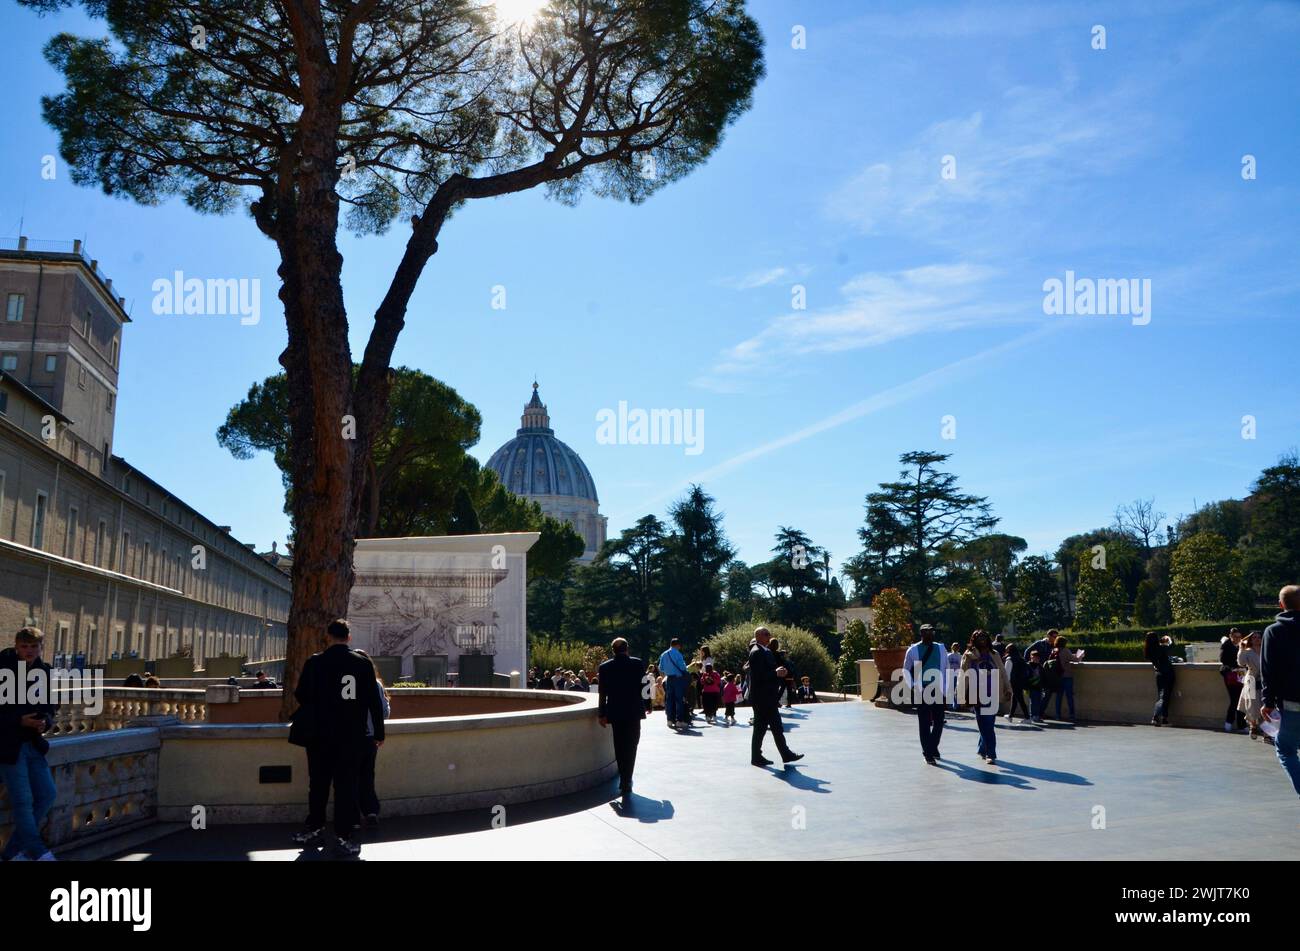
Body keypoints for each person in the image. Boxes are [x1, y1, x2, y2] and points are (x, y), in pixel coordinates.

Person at [289, 619, 386, 857]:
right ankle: (345, 836)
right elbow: (374, 702)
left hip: (320, 735)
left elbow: (301, 694)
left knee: (318, 784)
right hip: (351, 736)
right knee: (346, 787)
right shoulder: (362, 663)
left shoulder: (315, 662)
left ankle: (315, 827)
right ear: (349, 638)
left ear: (328, 636)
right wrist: (379, 733)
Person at [0, 627, 59, 861]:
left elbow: (51, 708)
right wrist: (18, 720)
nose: (29, 651)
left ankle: (12, 853)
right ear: (16, 647)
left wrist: (45, 722)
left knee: (47, 794)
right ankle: (38, 852)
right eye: (24, 647)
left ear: (40, 648)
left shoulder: (44, 672)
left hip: (33, 745)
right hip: (8, 746)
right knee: (23, 802)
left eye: (34, 647)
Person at [1261, 585, 1300, 796]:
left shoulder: (1274, 632)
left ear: (1281, 605)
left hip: (1291, 704)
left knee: (1286, 749)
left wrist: (1267, 701)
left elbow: (1269, 670)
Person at [598, 638, 647, 798]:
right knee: (632, 745)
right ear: (627, 649)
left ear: (613, 650)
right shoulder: (638, 664)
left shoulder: (605, 667)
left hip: (615, 711)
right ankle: (627, 778)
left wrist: (602, 714)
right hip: (634, 711)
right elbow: (645, 686)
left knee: (619, 745)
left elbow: (602, 693)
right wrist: (649, 705)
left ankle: (624, 778)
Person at [748, 627, 803, 767]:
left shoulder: (764, 651)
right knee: (773, 726)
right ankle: (784, 754)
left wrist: (779, 672)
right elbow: (758, 676)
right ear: (758, 636)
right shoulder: (756, 652)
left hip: (766, 697)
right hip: (763, 698)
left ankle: (759, 757)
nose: (769, 636)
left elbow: (767, 672)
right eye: (766, 634)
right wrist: (775, 673)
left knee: (762, 728)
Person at [961, 630, 1010, 763]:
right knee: (984, 725)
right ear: (974, 640)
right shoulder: (969, 655)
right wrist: (960, 694)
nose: (982, 639)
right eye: (979, 637)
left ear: (988, 639)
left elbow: (1003, 672)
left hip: (993, 693)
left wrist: (1008, 688)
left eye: (984, 637)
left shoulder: (994, 654)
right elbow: (963, 675)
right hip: (976, 694)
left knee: (988, 725)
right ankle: (987, 751)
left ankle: (987, 751)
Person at [355, 652, 390, 827]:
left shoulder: (346, 684)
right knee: (367, 775)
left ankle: (352, 815)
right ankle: (370, 811)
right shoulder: (376, 685)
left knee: (349, 776)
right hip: (370, 738)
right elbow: (384, 712)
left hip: (349, 737)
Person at [903, 623, 945, 764]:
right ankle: (928, 753)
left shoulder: (940, 648)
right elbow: (906, 670)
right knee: (925, 723)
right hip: (922, 689)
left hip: (938, 688)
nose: (930, 634)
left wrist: (948, 689)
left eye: (932, 631)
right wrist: (914, 686)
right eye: (927, 632)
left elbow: (947, 668)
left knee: (939, 722)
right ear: (921, 633)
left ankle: (932, 746)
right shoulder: (913, 650)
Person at [1145, 631, 1176, 726]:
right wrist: (1168, 638)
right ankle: (1156, 717)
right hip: (1167, 673)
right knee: (1164, 697)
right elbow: (1172, 646)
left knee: (1162, 696)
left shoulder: (1149, 650)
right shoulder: (1161, 648)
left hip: (1159, 674)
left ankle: (1164, 719)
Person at [1220, 629, 1247, 733]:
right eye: (1235, 636)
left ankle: (1240, 724)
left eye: (1239, 636)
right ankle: (1230, 722)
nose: (1237, 638)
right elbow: (1223, 660)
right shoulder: (1226, 645)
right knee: (1235, 699)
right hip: (1231, 674)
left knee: (1242, 699)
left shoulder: (1242, 645)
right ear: (1230, 636)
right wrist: (1234, 667)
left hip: (1241, 673)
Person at [658, 638, 689, 729]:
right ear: (677, 645)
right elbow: (682, 668)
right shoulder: (678, 654)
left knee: (669, 700)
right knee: (679, 700)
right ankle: (679, 720)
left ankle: (670, 720)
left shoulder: (664, 654)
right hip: (678, 678)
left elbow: (661, 668)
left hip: (669, 678)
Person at [1238, 631, 1263, 738]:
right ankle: (1253, 726)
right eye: (1254, 637)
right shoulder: (1247, 651)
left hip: (1263, 680)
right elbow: (1241, 662)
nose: (1257, 639)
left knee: (1264, 704)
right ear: (1251, 640)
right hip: (1251, 680)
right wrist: (1241, 648)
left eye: (1259, 637)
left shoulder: (1265, 650)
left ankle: (1265, 731)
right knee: (1252, 705)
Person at [1049, 635, 1079, 721]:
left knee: (1059, 697)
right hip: (1067, 676)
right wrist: (1080, 656)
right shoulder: (1065, 650)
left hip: (1058, 676)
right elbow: (1075, 660)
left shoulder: (1054, 650)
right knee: (1069, 696)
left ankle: (1058, 715)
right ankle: (1071, 715)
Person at [1003, 643, 1031, 721]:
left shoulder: (1009, 659)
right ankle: (1010, 716)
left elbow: (1007, 674)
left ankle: (1027, 717)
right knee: (1015, 698)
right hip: (1021, 682)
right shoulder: (1021, 659)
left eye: (1006, 649)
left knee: (1020, 699)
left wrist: (1006, 685)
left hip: (1014, 682)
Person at [1026, 650, 1046, 723]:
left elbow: (1043, 676)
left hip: (1039, 686)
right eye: (1034, 657)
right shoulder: (1028, 665)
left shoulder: (1040, 666)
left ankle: (1036, 716)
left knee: (1038, 702)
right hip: (1032, 686)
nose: (1036, 659)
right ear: (1031, 657)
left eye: (1037, 658)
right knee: (1034, 702)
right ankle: (1033, 716)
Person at [944, 642, 963, 711]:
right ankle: (949, 705)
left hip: (957, 675)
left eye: (957, 647)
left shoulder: (960, 656)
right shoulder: (948, 655)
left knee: (956, 690)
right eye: (954, 646)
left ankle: (956, 705)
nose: (955, 648)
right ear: (952, 647)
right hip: (949, 674)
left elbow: (962, 666)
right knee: (949, 690)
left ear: (958, 648)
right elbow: (945, 665)